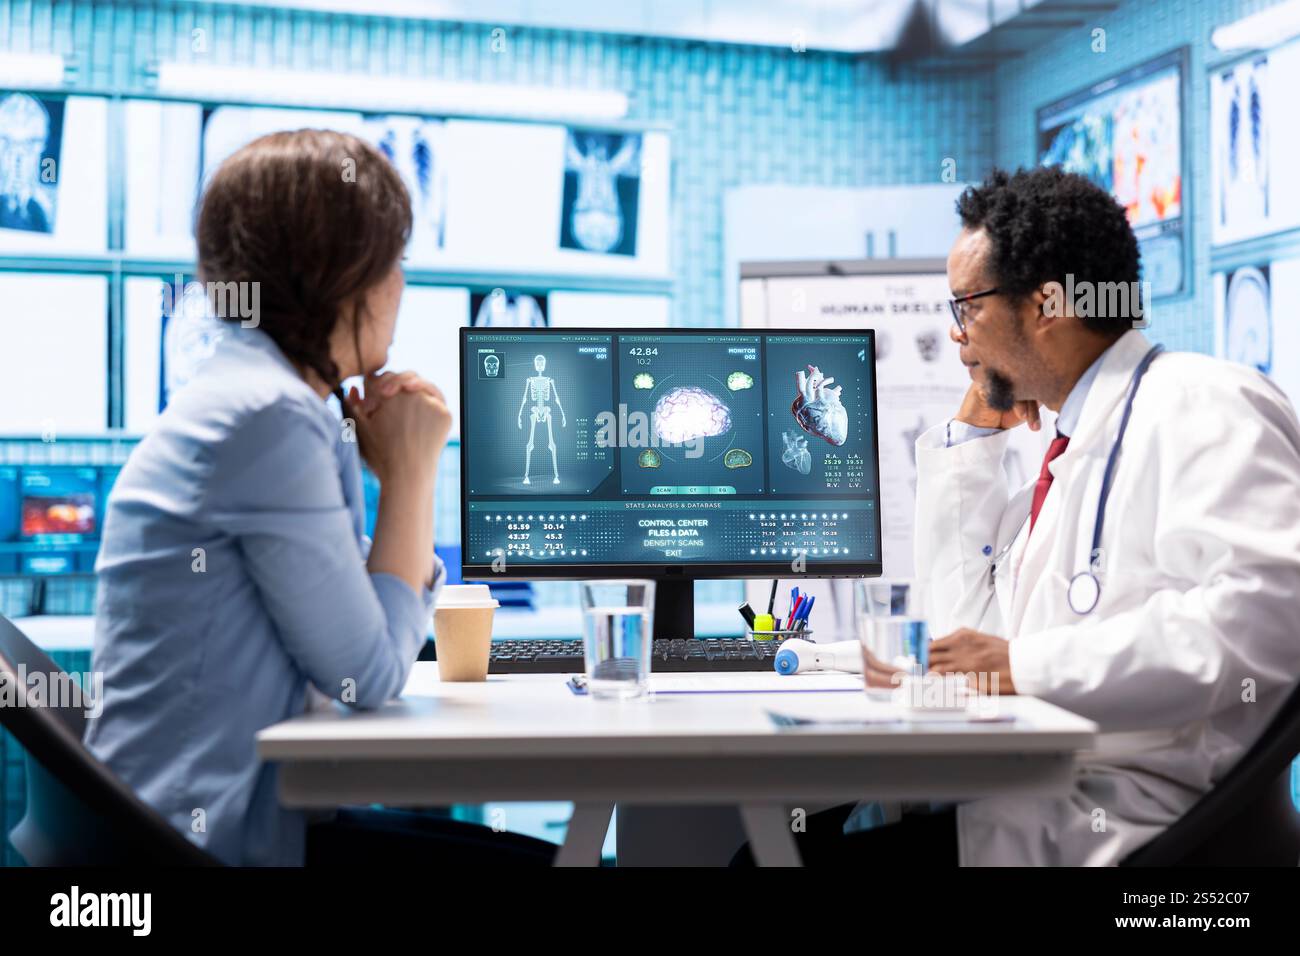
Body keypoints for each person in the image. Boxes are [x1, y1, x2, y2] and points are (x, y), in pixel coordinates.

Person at [737, 166, 1300, 867]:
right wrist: (972, 439)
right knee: (774, 847)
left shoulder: (1204, 403)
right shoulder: (1075, 441)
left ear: (1047, 306)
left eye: (967, 307)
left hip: (1137, 821)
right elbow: (966, 633)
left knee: (765, 859)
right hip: (1035, 791)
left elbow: (1269, 621)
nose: (955, 336)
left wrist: (1023, 665)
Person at [84, 129, 553, 866]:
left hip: (191, 821)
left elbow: (350, 632)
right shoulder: (269, 418)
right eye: (393, 261)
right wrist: (410, 474)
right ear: (345, 278)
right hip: (210, 844)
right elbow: (365, 673)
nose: (401, 284)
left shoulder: (263, 399)